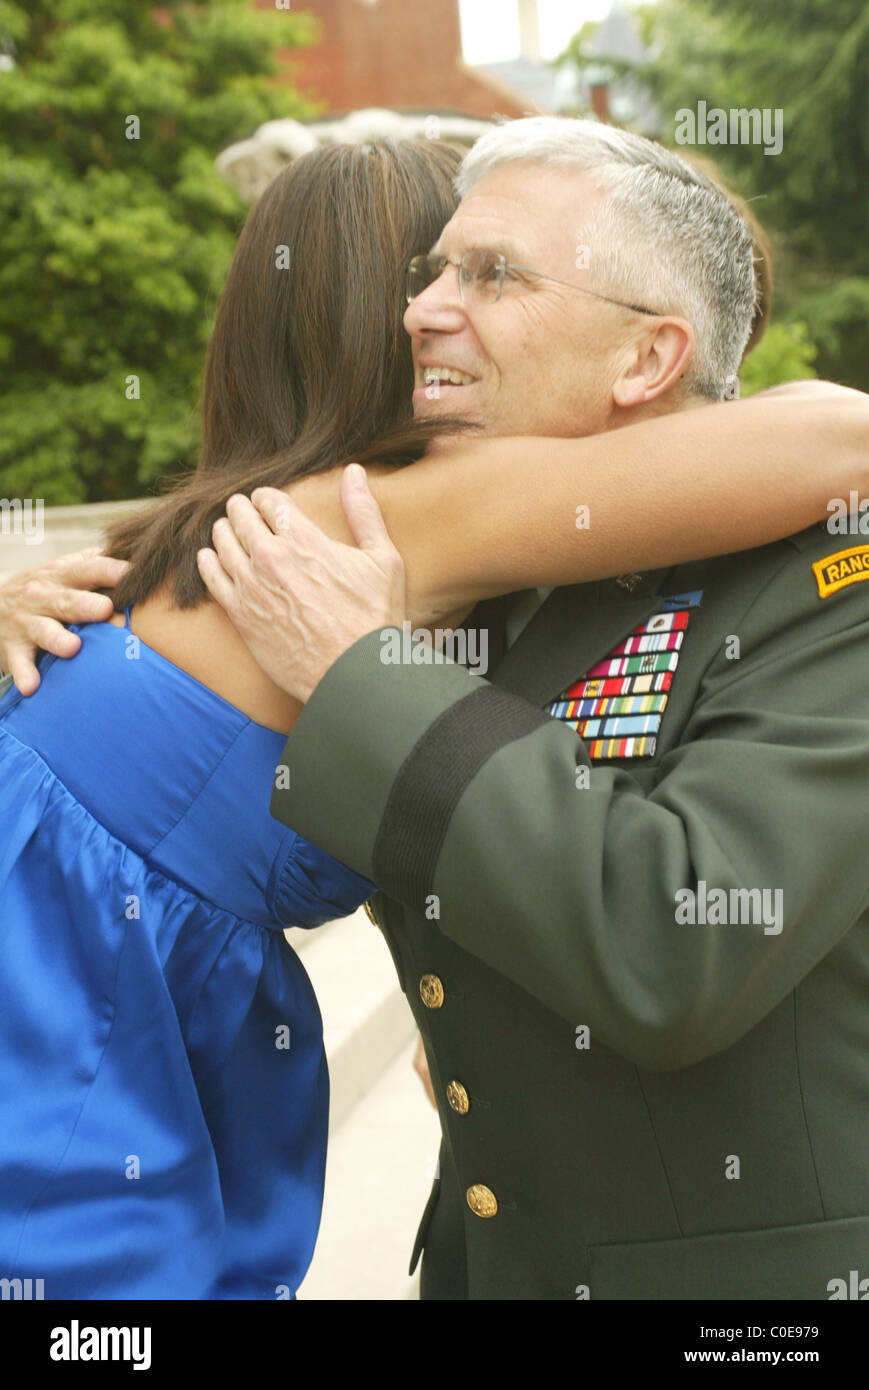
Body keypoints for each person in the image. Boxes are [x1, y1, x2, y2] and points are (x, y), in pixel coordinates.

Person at [1, 127, 866, 1302]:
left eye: (487, 276)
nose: (430, 313)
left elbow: (663, 933)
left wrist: (365, 666)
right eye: (426, 274)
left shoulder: (805, 584)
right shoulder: (383, 536)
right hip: (90, 1056)